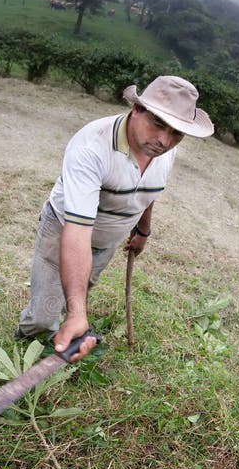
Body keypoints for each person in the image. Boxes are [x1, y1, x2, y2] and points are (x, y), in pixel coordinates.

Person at [16, 75, 215, 360]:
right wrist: (78, 314)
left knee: (76, 294)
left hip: (108, 240)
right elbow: (77, 232)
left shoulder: (164, 150)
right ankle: (23, 351)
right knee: (42, 317)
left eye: (176, 133)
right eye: (158, 124)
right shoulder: (92, 147)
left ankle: (63, 332)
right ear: (137, 109)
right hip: (65, 232)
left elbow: (148, 191)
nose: (164, 141)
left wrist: (142, 231)